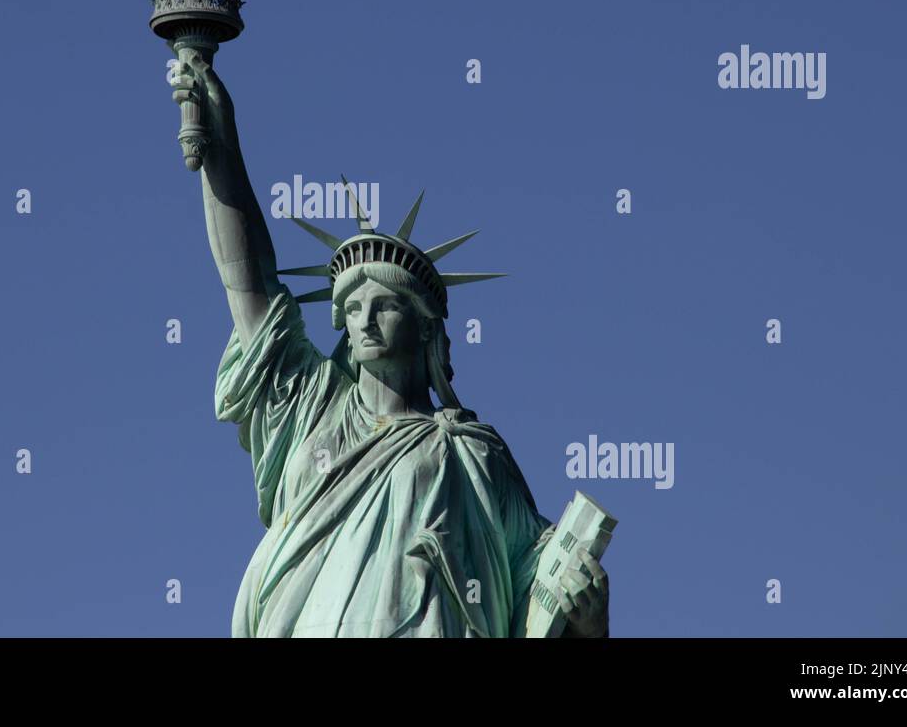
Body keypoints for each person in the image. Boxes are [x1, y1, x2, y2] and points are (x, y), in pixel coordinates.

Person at [173, 47, 609, 637]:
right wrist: (222, 150)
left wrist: (589, 612)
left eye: (385, 305)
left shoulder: (474, 455)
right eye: (352, 309)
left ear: (426, 326)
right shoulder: (310, 408)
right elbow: (248, 283)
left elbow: (534, 594)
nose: (365, 320)